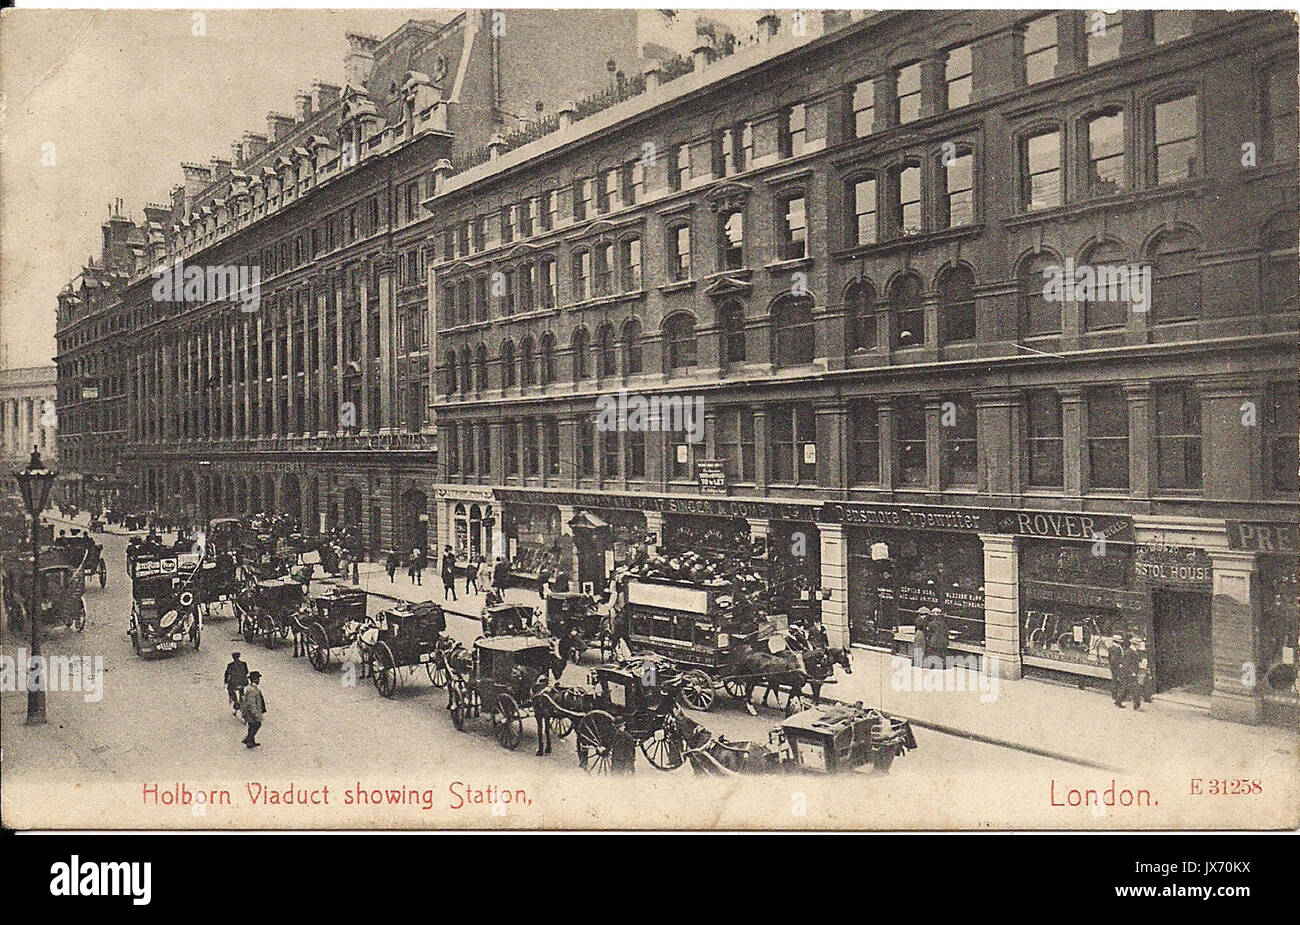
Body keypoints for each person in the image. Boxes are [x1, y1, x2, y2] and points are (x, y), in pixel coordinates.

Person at [1108, 635, 1141, 710]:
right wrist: (1132, 672)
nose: (1139, 646)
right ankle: (1136, 706)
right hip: (1129, 673)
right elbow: (1127, 664)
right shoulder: (1129, 652)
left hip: (1129, 672)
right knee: (1136, 689)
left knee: (1126, 688)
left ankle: (1118, 701)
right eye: (1138, 644)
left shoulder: (1132, 651)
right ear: (1135, 644)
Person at [240, 671, 267, 748]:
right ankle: (248, 739)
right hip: (250, 712)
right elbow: (251, 704)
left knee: (252, 726)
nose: (259, 680)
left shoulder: (253, 689)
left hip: (250, 712)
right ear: (254, 679)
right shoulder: (252, 690)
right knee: (256, 725)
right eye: (258, 678)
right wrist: (255, 714)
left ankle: (251, 740)